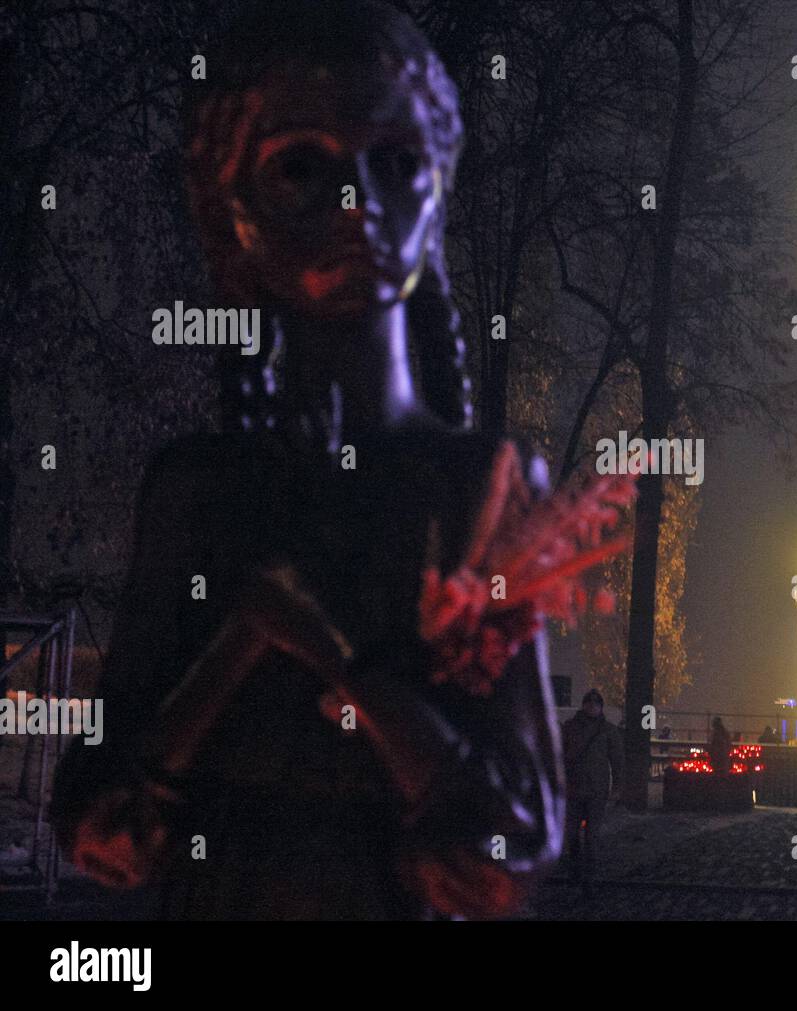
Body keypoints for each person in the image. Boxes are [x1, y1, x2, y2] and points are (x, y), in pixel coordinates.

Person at [50, 0, 573, 920]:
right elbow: (100, 826)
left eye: (395, 163)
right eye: (302, 165)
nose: (356, 203)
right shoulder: (198, 491)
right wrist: (250, 639)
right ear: (229, 205)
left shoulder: (480, 488)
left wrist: (327, 653)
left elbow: (512, 840)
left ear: (435, 188)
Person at [561, 690, 623, 894]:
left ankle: (588, 876)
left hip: (595, 790)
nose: (592, 707)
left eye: (596, 704)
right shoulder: (570, 729)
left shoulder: (607, 731)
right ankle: (577, 871)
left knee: (590, 836)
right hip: (576, 788)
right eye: (590, 703)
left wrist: (617, 788)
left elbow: (617, 762)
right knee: (572, 834)